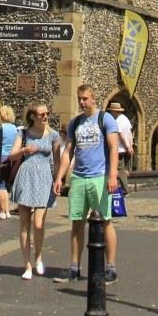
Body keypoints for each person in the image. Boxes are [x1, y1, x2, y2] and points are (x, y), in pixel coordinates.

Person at [53, 83, 119, 285]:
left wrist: (113, 175)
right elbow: (68, 151)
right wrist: (60, 176)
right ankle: (74, 267)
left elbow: (114, 147)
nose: (82, 102)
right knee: (77, 223)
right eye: (79, 99)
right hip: (79, 177)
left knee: (105, 221)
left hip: (99, 176)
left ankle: (110, 268)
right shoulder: (75, 123)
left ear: (93, 98)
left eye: (85, 98)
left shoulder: (105, 118)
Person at [10, 102, 60, 278]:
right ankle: (27, 266)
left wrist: (58, 179)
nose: (46, 117)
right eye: (42, 114)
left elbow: (57, 160)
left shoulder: (53, 135)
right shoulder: (23, 133)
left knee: (38, 224)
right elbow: (12, 155)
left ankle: (38, 257)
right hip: (26, 177)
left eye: (47, 113)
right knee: (24, 225)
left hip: (44, 179)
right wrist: (24, 149)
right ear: (33, 116)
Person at [0, 104, 18, 220]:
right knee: (5, 185)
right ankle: (7, 211)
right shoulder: (15, 128)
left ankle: (2, 211)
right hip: (11, 157)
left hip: (0, 157)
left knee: (0, 185)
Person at [107, 101, 134, 194]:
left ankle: (125, 189)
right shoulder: (126, 119)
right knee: (124, 169)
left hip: (120, 149)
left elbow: (121, 135)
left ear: (114, 111)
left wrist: (127, 147)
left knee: (120, 169)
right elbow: (130, 133)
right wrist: (131, 145)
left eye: (111, 111)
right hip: (126, 148)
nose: (110, 114)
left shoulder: (117, 121)